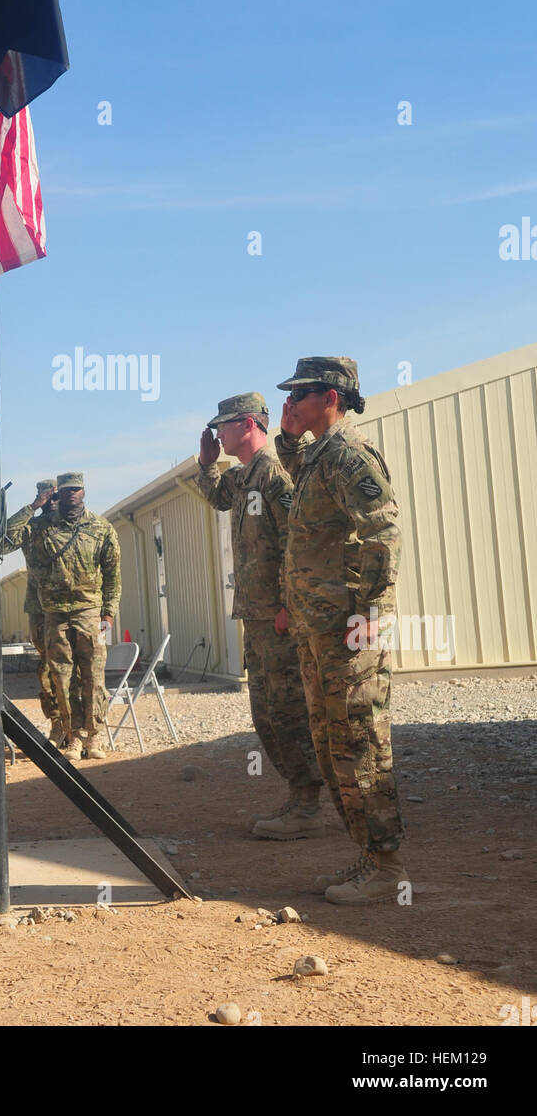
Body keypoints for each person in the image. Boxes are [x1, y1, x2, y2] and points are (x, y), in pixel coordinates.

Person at [275, 357, 407, 905]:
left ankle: (387, 867)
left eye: (300, 395)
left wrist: (369, 614)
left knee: (361, 743)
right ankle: (368, 855)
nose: (292, 403)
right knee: (333, 746)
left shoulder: (350, 455)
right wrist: (284, 437)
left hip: (347, 631)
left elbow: (384, 533)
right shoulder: (319, 455)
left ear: (330, 396)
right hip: (319, 630)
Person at [197, 393, 324, 838]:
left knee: (287, 709)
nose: (218, 433)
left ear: (249, 424)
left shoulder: (275, 475)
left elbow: (297, 541)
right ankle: (298, 794)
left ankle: (308, 801)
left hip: (279, 616)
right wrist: (207, 461)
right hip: (257, 614)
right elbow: (216, 496)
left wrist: (290, 604)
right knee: (266, 711)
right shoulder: (243, 476)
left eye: (224, 426)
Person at [22, 472, 120, 761]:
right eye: (65, 491)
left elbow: (113, 576)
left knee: (93, 677)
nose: (71, 495)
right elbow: (7, 537)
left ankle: (94, 737)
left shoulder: (101, 528)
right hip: (55, 615)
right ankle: (72, 736)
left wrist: (109, 613)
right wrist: (33, 506)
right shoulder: (42, 528)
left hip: (90, 612)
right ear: (57, 495)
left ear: (84, 492)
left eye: (76, 490)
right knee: (62, 679)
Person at [2, 479, 65, 745]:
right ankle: (57, 722)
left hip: (70, 608)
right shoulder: (32, 528)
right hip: (40, 609)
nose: (51, 501)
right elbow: (4, 540)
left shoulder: (74, 526)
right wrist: (32, 507)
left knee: (74, 669)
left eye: (55, 496)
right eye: (46, 497)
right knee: (48, 668)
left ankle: (79, 728)